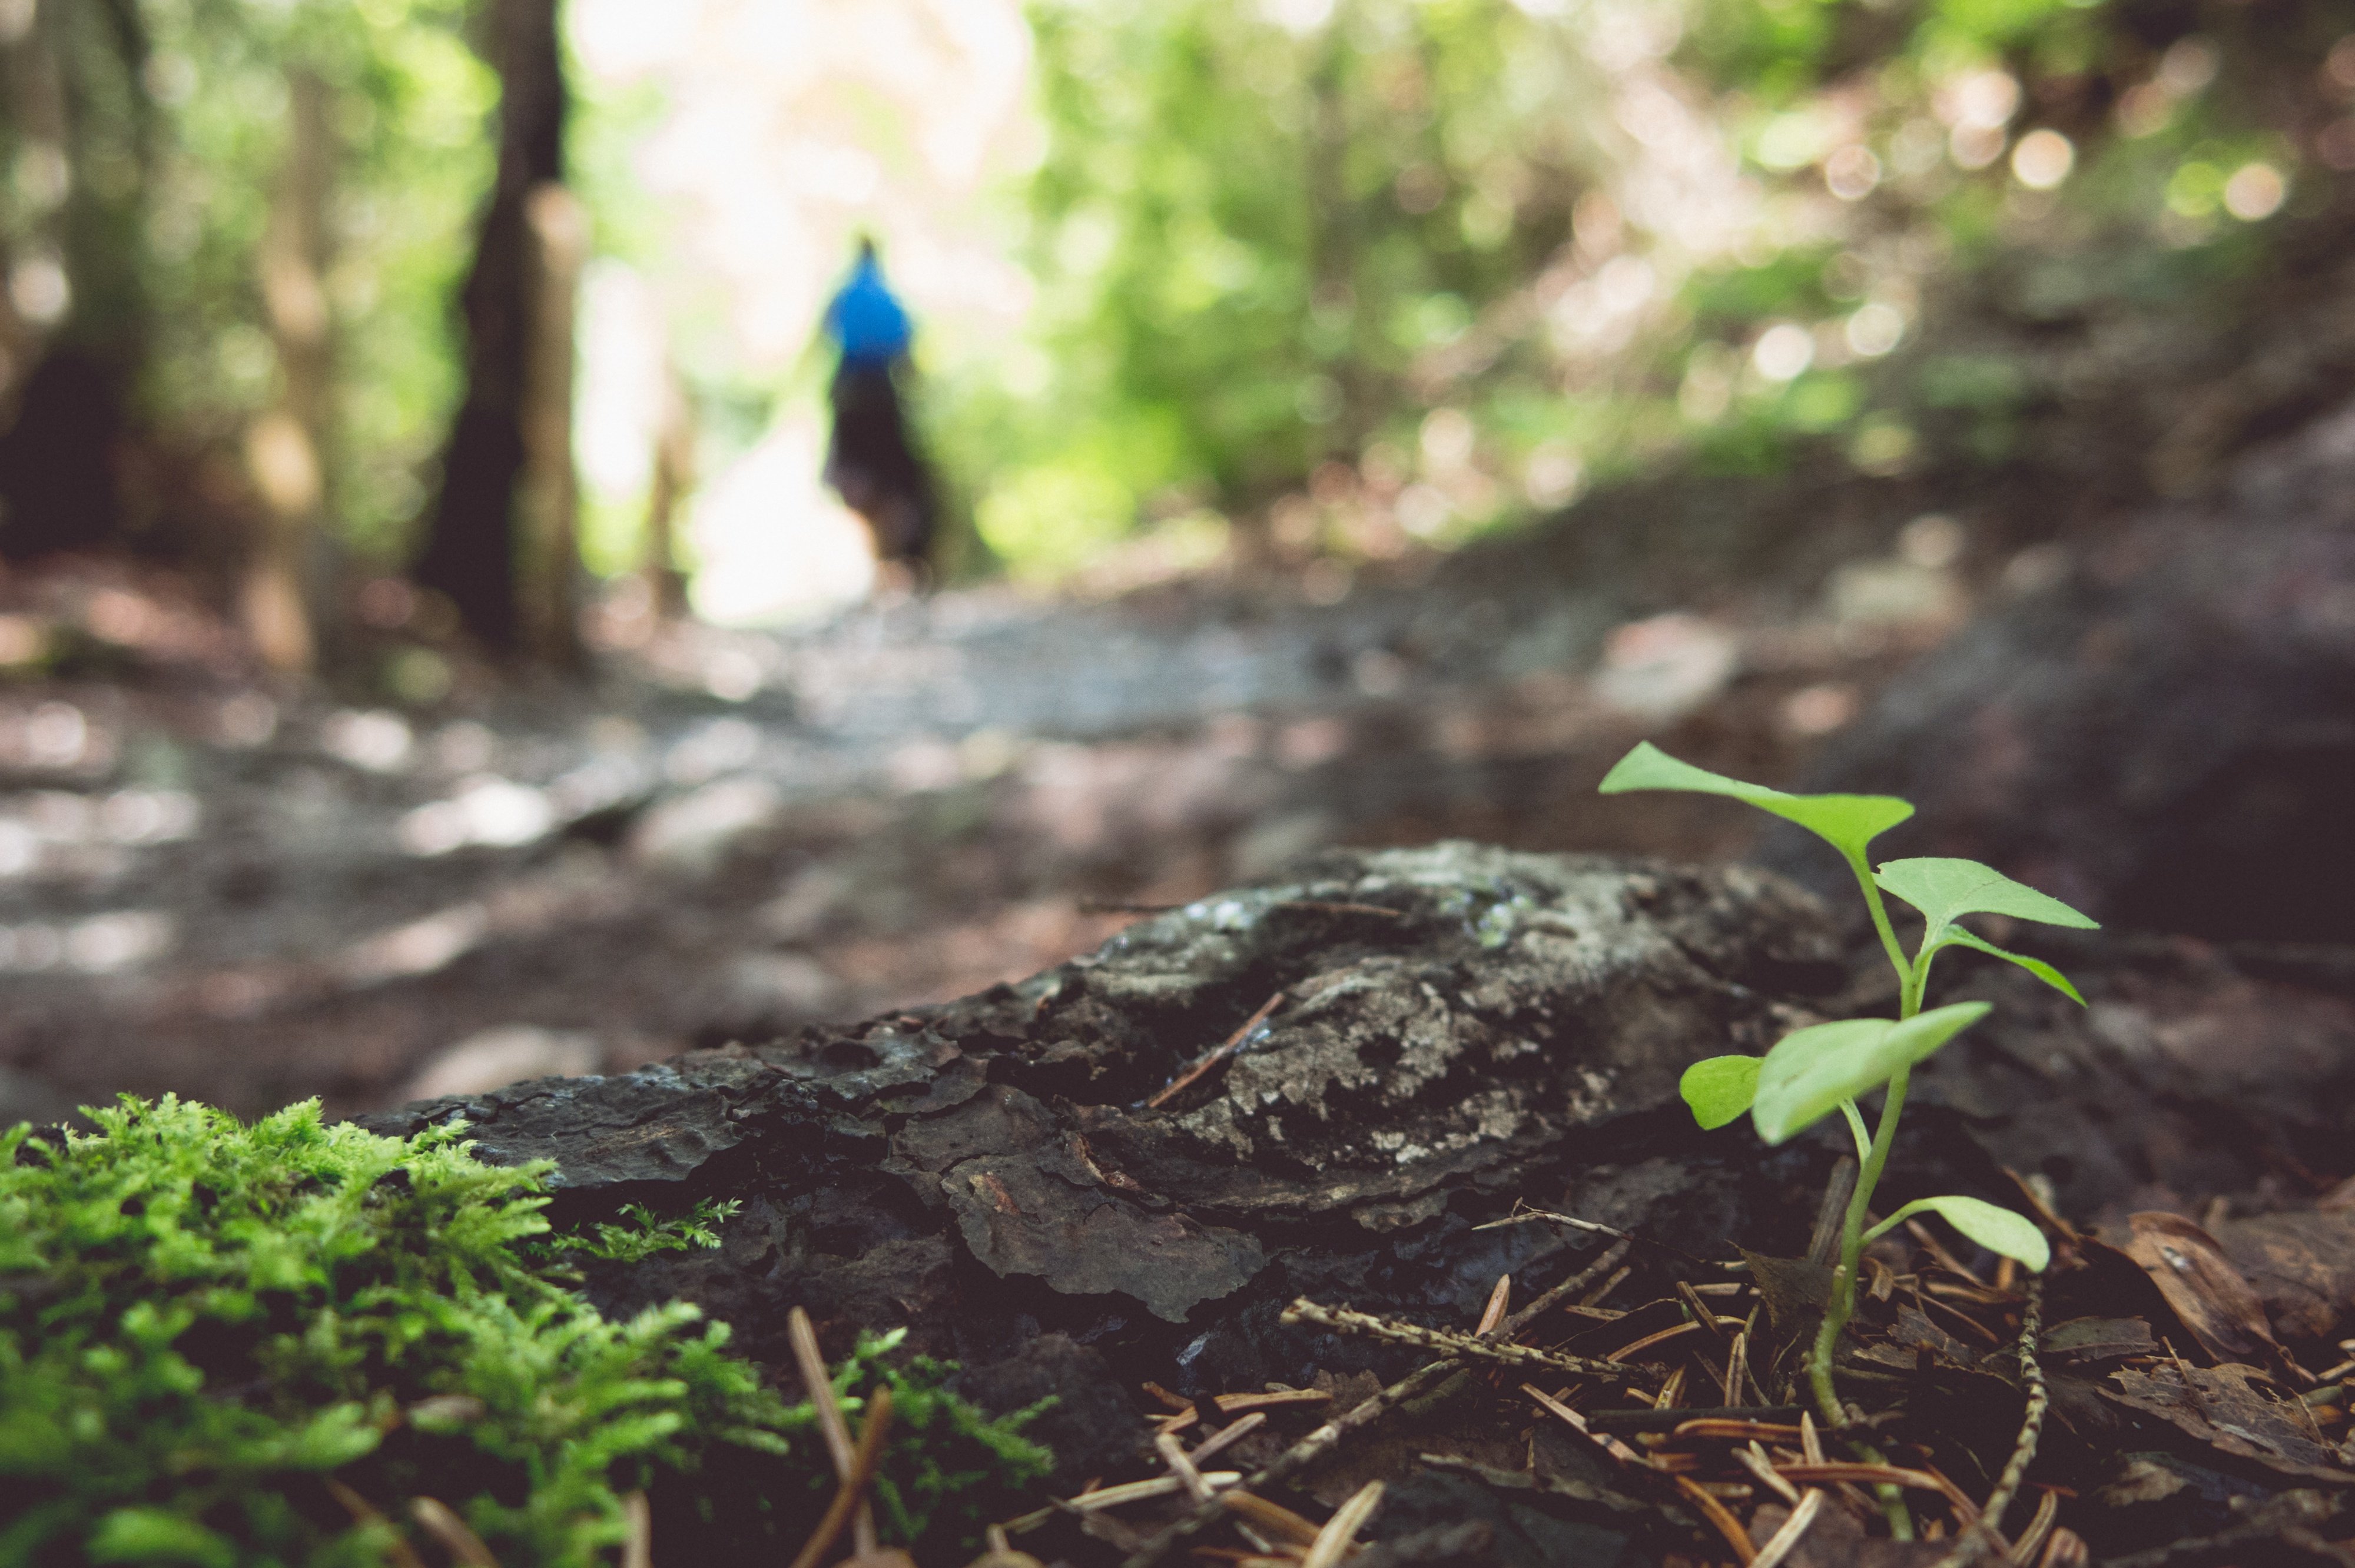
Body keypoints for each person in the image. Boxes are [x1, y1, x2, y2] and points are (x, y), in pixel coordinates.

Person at [820, 237, 937, 583]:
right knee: (896, 477)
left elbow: (825, 337)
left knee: (852, 474)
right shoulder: (890, 298)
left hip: (849, 390)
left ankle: (881, 560)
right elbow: (906, 351)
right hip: (885, 393)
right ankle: (893, 558)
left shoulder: (842, 295)